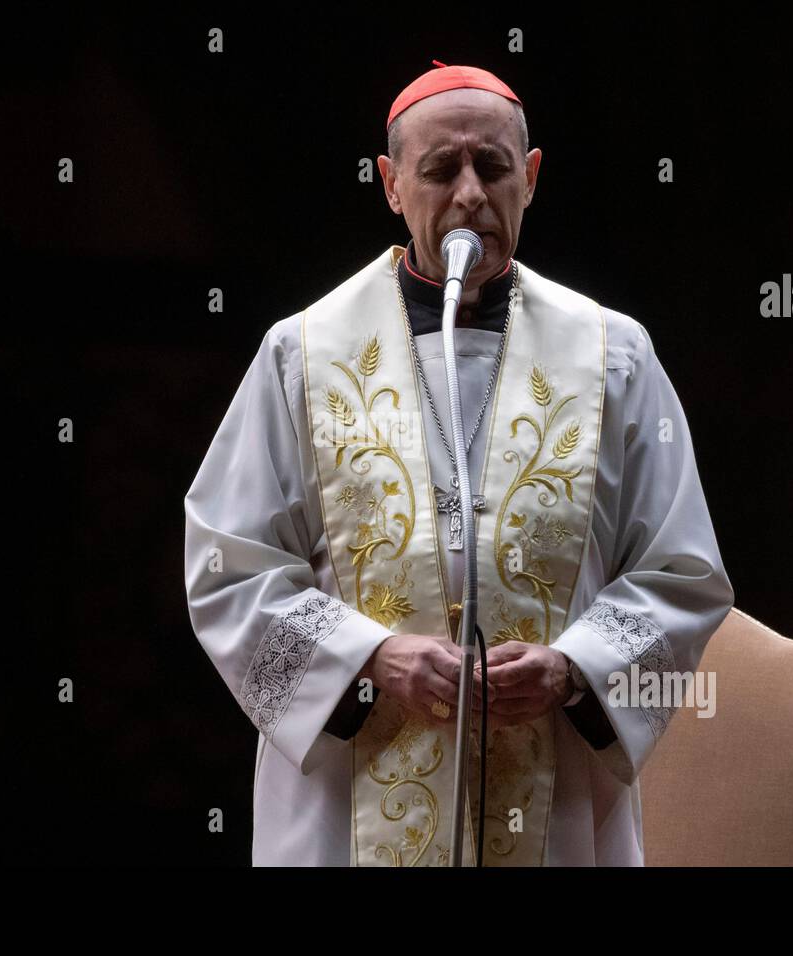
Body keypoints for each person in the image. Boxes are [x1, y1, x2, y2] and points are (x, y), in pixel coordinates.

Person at [183, 60, 734, 866]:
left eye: (494, 167)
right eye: (441, 170)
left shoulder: (614, 356)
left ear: (532, 178)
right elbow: (226, 567)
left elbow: (682, 571)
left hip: (554, 800)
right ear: (391, 185)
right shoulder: (301, 356)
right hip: (348, 807)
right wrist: (368, 657)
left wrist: (572, 667)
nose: (471, 194)